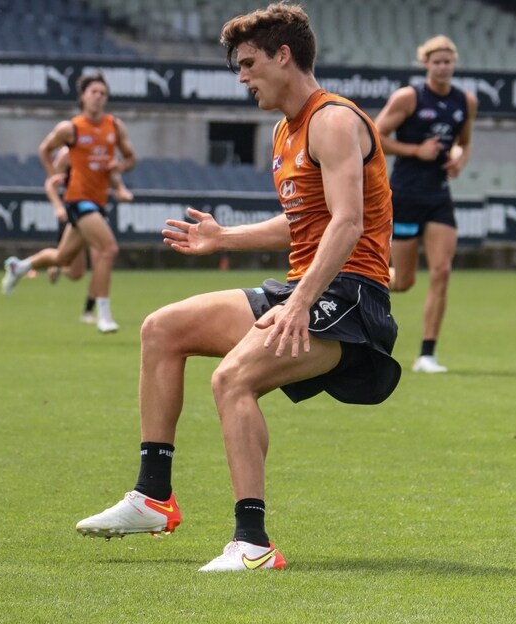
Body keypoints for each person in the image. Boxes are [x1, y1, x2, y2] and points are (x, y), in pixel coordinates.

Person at [75, 2, 401, 571]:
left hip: (350, 298)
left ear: (284, 55)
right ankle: (153, 496)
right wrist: (225, 238)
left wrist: (300, 303)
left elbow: (347, 222)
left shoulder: (333, 120)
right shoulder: (284, 130)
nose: (243, 77)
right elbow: (303, 221)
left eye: (249, 64)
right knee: (162, 328)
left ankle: (252, 544)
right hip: (308, 286)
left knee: (232, 380)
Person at [1, 72, 137, 334]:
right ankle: (103, 315)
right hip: (77, 201)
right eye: (94, 92)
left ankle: (21, 267)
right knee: (108, 249)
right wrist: (55, 177)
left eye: (103, 93)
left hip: (97, 202)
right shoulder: (71, 129)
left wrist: (119, 167)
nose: (99, 97)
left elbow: (131, 159)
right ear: (83, 97)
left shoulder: (114, 127)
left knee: (65, 260)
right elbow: (44, 149)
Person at [374, 35, 476, 374]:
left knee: (442, 271)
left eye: (448, 61)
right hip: (405, 194)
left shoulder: (466, 101)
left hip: (438, 196)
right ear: (427, 64)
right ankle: (346, 277)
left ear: (454, 64)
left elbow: (463, 142)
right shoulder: (409, 97)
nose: (443, 66)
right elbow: (375, 137)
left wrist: (458, 160)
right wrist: (415, 151)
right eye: (437, 61)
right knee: (403, 281)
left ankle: (427, 355)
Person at [43, 146, 135, 324]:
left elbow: (117, 184)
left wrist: (123, 193)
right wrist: (58, 206)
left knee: (101, 257)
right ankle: (57, 264)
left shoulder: (104, 156)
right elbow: (51, 184)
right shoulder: (67, 155)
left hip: (96, 213)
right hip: (75, 212)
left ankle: (89, 310)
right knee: (76, 272)